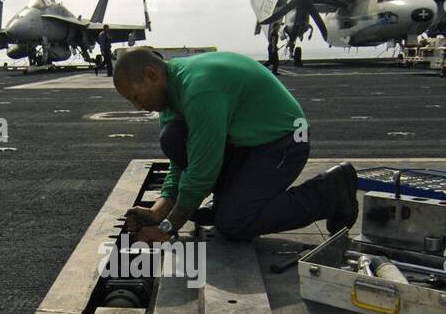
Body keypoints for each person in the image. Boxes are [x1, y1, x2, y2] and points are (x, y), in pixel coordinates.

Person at [112, 46, 357, 244]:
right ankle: (227, 203)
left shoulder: (198, 89)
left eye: (135, 97)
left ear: (151, 75)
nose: (137, 106)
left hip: (285, 140)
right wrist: (157, 211)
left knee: (234, 223)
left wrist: (168, 227)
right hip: (249, 143)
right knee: (172, 138)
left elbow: (202, 169)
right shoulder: (170, 97)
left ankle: (330, 193)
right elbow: (181, 162)